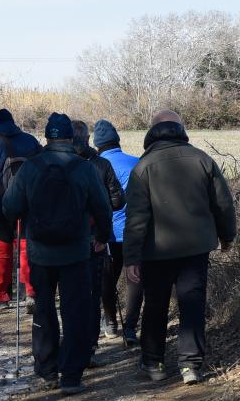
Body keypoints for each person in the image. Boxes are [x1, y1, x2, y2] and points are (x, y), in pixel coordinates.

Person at [123, 110, 237, 385]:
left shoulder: (143, 166)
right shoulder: (202, 159)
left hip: (156, 252)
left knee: (155, 307)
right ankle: (190, 366)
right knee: (192, 306)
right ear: (181, 129)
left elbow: (136, 218)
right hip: (195, 250)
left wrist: (132, 258)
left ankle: (154, 363)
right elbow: (223, 204)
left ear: (152, 132)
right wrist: (227, 236)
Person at [3, 113, 113, 396]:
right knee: (75, 311)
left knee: (44, 308)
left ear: (47, 137)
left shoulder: (31, 168)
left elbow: (11, 207)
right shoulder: (84, 168)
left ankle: (47, 370)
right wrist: (101, 237)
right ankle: (71, 376)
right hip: (76, 253)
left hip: (40, 252)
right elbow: (103, 207)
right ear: (69, 137)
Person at [70, 119, 125, 364]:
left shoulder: (59, 165)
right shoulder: (101, 164)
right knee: (93, 292)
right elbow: (117, 201)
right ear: (88, 138)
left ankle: (71, 346)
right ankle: (89, 347)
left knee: (71, 294)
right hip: (96, 239)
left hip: (67, 240)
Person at [0, 108, 41, 309]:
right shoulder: (31, 141)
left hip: (1, 205)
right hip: (29, 204)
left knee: (2, 249)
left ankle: (2, 297)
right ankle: (31, 294)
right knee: (26, 247)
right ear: (13, 122)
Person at [90, 119, 144, 348]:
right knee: (135, 279)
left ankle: (111, 321)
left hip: (109, 234)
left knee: (107, 279)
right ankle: (130, 326)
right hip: (136, 232)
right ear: (117, 140)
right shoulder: (138, 163)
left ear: (98, 144)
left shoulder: (96, 166)